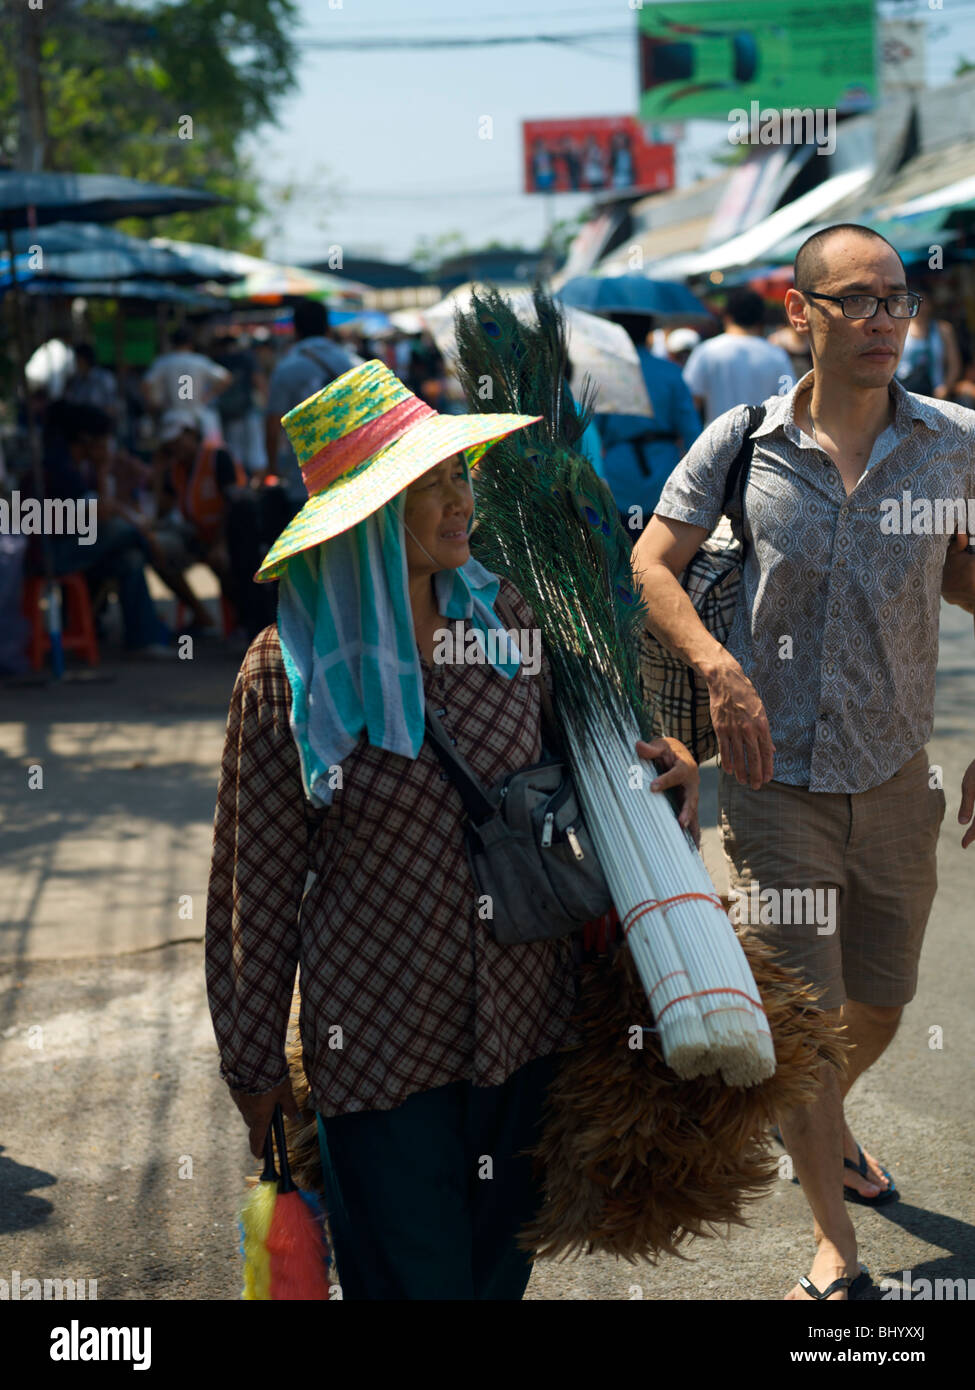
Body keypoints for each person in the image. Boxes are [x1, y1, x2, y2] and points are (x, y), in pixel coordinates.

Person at [205, 358, 699, 1301]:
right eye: (422, 489)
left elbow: (582, 755)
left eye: (455, 477)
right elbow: (252, 883)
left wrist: (661, 759)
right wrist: (253, 1063)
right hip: (381, 1049)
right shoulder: (286, 672)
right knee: (413, 1284)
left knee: (491, 1278)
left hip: (524, 1023)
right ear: (363, 521)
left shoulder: (506, 619)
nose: (456, 503)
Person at [632, 223, 975, 1301]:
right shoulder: (740, 440)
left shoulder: (953, 441)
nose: (883, 319)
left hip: (896, 774)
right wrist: (717, 672)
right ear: (802, 312)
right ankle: (835, 1243)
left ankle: (814, 1129)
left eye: (897, 302)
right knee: (809, 1021)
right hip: (773, 779)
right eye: (857, 300)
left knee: (883, 995)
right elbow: (652, 561)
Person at [33, 402, 175, 656]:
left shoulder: (79, 467)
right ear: (86, 440)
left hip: (78, 549)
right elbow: (102, 513)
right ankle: (158, 557)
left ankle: (144, 639)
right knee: (124, 531)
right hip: (52, 554)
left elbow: (103, 508)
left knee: (130, 559)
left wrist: (102, 472)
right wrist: (146, 535)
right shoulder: (59, 468)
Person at [594, 312, 701, 535]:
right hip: (664, 468)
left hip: (619, 469)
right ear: (649, 332)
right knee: (659, 546)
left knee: (625, 545)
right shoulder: (670, 371)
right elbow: (690, 429)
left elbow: (596, 427)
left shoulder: (605, 373)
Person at [263, 300, 358, 515]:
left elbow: (271, 427)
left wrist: (272, 469)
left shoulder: (285, 369)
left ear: (295, 330)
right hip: (352, 473)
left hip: (304, 479)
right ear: (327, 328)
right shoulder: (352, 362)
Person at [683, 287, 794, 425]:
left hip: (715, 441)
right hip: (762, 442)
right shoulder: (777, 355)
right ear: (760, 318)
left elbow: (690, 401)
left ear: (727, 316)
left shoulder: (706, 351)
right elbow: (788, 400)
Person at [141, 325, 231, 441]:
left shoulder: (164, 362)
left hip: (172, 417)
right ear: (191, 343)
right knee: (202, 455)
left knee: (171, 454)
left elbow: (145, 384)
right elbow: (226, 378)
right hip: (197, 416)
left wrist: (155, 404)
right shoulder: (200, 361)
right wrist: (208, 396)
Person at [895, 292, 962, 399]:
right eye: (914, 302)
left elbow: (954, 364)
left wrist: (945, 388)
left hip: (935, 392)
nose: (920, 307)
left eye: (923, 302)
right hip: (903, 391)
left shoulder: (943, 329)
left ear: (931, 304)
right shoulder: (898, 328)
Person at [63, 344, 119, 419]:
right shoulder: (76, 381)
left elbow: (113, 407)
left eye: (77, 360)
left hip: (100, 425)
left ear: (83, 360)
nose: (75, 364)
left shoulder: (104, 378)